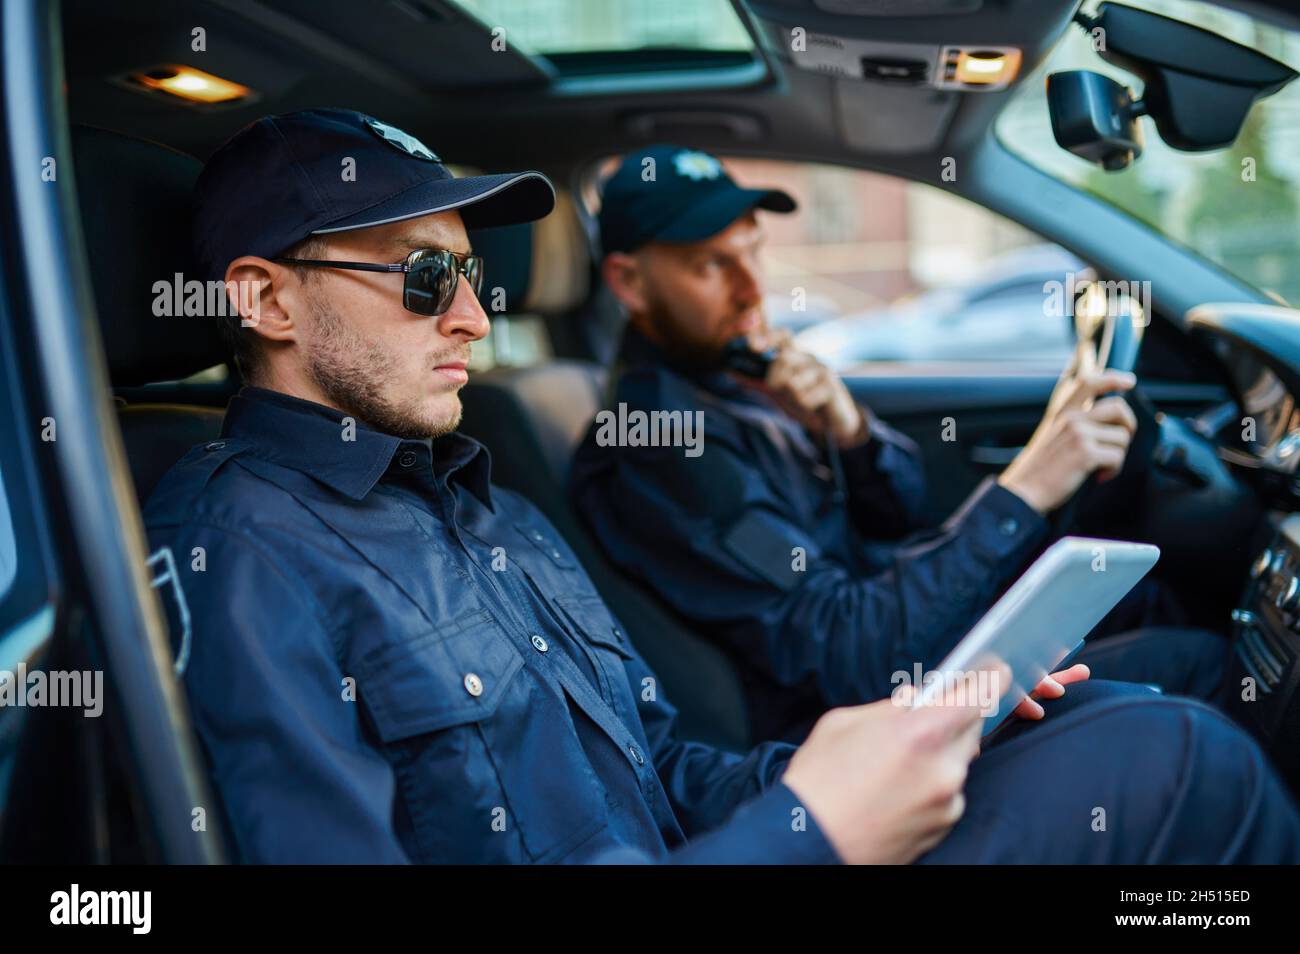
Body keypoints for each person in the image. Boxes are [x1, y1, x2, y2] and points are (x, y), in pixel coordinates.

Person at [144, 110, 1299, 864]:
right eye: (426, 274)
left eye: (475, 275)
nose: (469, 312)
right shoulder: (236, 549)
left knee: (1116, 712)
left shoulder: (486, 509)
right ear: (266, 303)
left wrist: (862, 744)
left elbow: (664, 772)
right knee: (1185, 759)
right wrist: (815, 828)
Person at [569, 146, 1228, 744]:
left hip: (905, 662)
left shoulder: (734, 383)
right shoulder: (660, 444)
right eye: (712, 264)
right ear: (629, 283)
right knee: (1195, 663)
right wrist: (1026, 484)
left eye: (752, 253)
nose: (751, 290)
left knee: (1150, 605)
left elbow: (902, 519)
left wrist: (846, 431)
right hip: (858, 732)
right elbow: (853, 659)